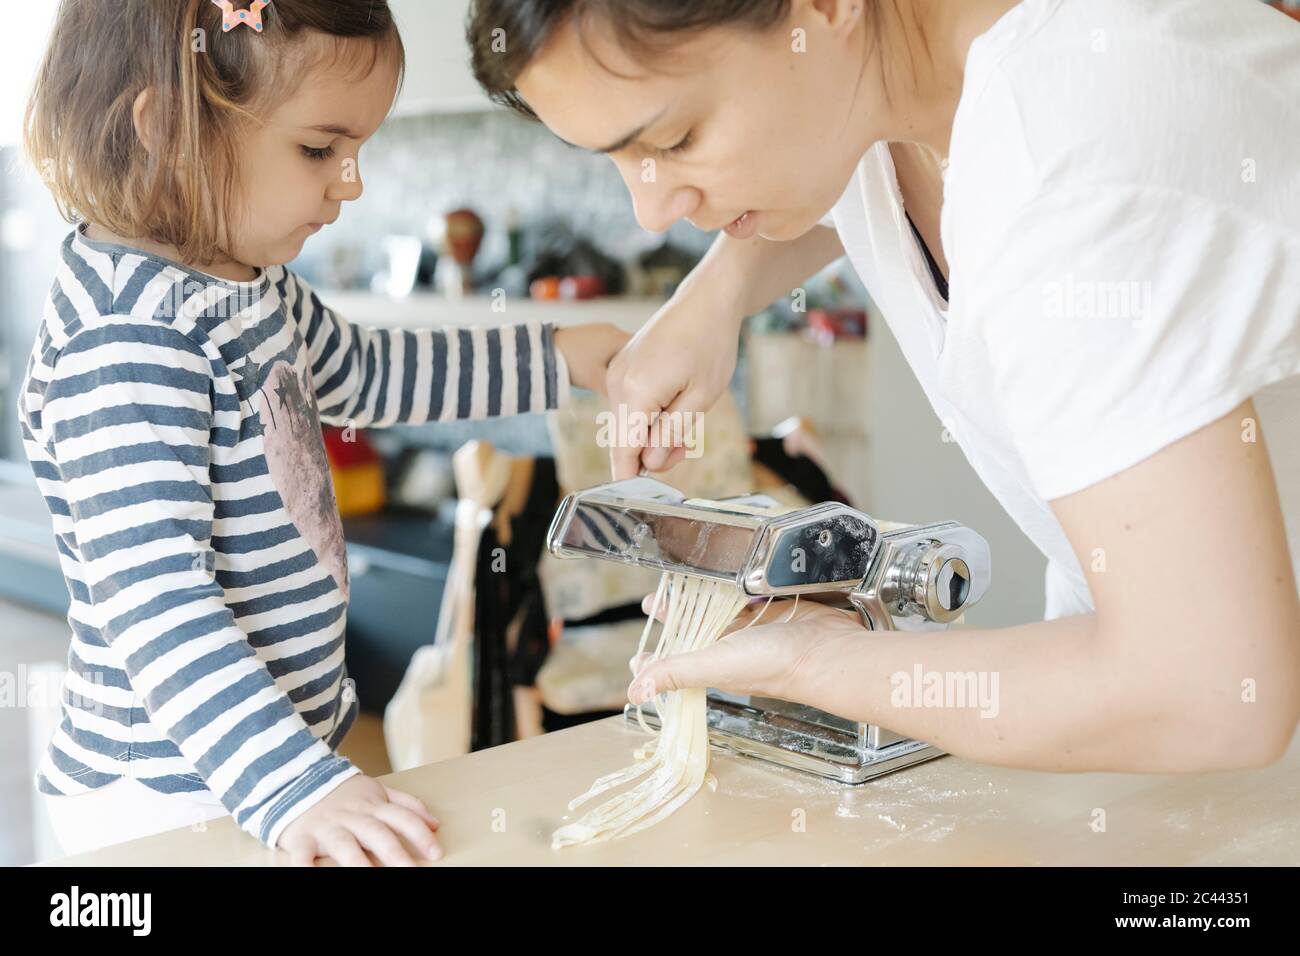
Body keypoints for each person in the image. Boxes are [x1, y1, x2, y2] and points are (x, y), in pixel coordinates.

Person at [467, 0, 1300, 771]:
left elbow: (1210, 691)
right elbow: (846, 153)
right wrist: (712, 298)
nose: (650, 212)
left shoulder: (1071, 158)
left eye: (675, 139)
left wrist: (814, 659)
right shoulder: (893, 72)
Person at [19, 0, 626, 865]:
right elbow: (159, 611)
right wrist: (297, 786)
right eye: (320, 149)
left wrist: (560, 354)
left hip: (268, 761)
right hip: (164, 799)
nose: (351, 183)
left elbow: (367, 372)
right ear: (163, 128)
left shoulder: (244, 281)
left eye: (356, 152)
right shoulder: (128, 342)